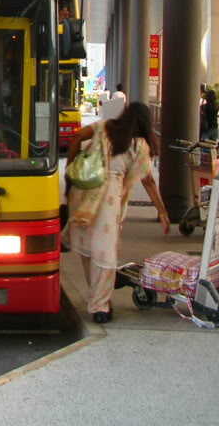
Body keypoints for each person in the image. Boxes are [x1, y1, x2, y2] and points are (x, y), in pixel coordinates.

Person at [64, 102, 170, 323]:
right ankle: (100, 306)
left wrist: (70, 169)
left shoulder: (103, 127)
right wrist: (162, 212)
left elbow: (76, 138)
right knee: (105, 256)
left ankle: (100, 299)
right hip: (106, 203)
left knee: (89, 252)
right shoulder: (139, 145)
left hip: (82, 195)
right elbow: (149, 181)